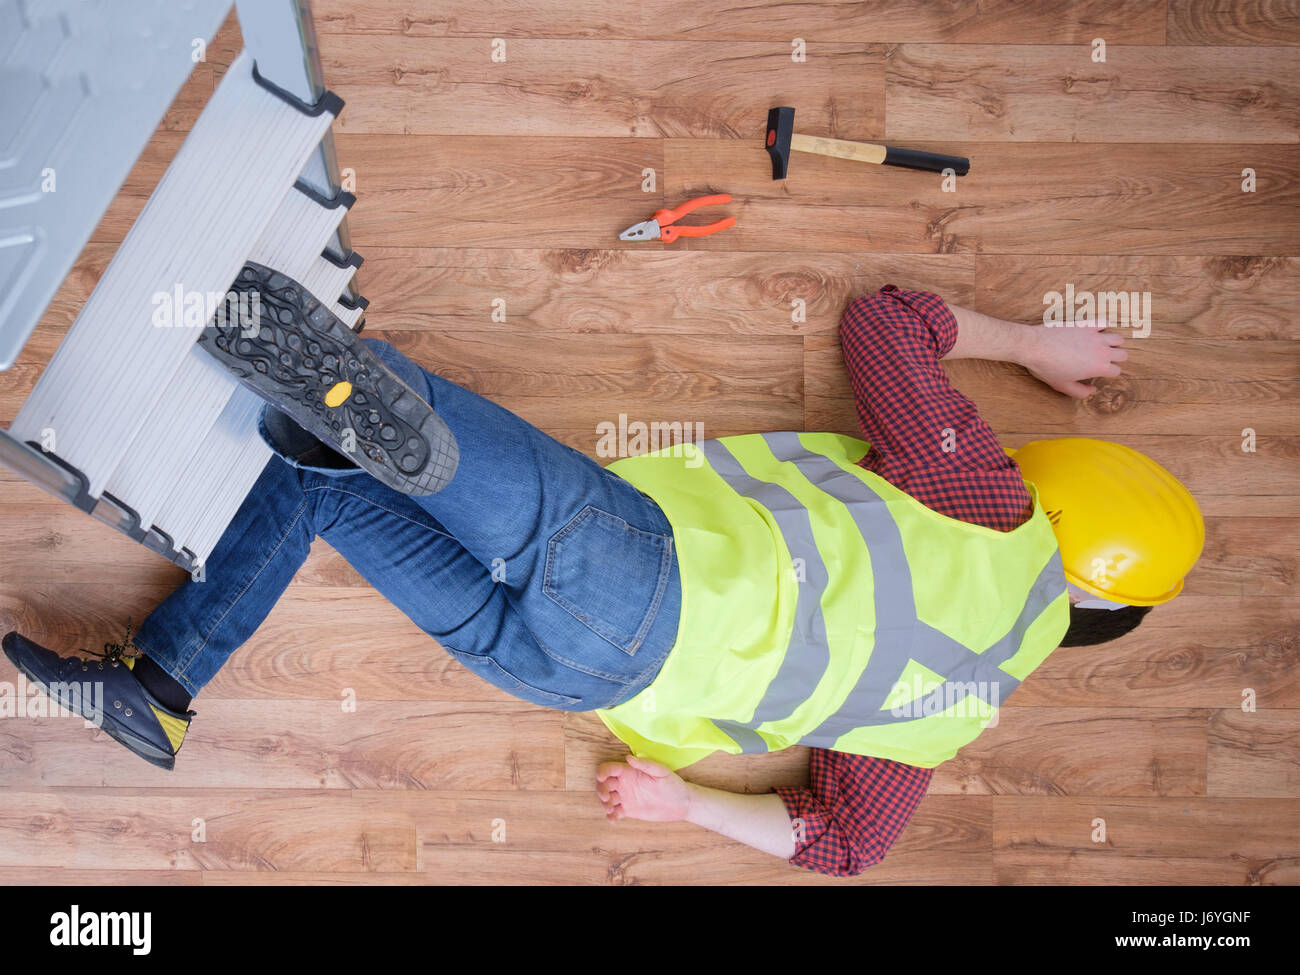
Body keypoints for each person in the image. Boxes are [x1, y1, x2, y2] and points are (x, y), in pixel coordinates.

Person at [3, 282, 1203, 877]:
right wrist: (687, 809)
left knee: (389, 408)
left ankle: (380, 406)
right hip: (578, 676)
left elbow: (885, 322)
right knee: (324, 483)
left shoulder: (988, 499)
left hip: (645, 573)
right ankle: (160, 682)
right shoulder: (953, 719)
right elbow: (845, 850)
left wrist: (1029, 345)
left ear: (1063, 493)